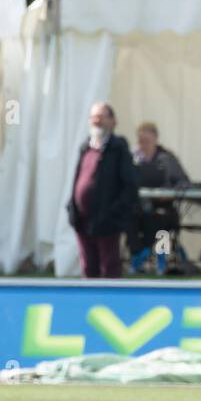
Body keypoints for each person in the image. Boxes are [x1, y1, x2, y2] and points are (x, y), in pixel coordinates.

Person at [66, 102, 138, 279]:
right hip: (83, 221)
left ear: (113, 121)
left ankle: (112, 303)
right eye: (94, 117)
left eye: (101, 116)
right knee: (88, 267)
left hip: (107, 221)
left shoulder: (118, 149)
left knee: (109, 268)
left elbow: (130, 185)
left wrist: (115, 213)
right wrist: (72, 209)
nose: (96, 121)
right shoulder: (85, 148)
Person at [129, 122, 191, 272]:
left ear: (155, 139)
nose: (143, 145)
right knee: (128, 219)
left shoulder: (167, 159)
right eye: (141, 141)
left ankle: (143, 255)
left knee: (155, 220)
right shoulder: (132, 158)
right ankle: (137, 255)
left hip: (164, 208)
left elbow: (184, 182)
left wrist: (169, 195)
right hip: (138, 207)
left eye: (147, 141)